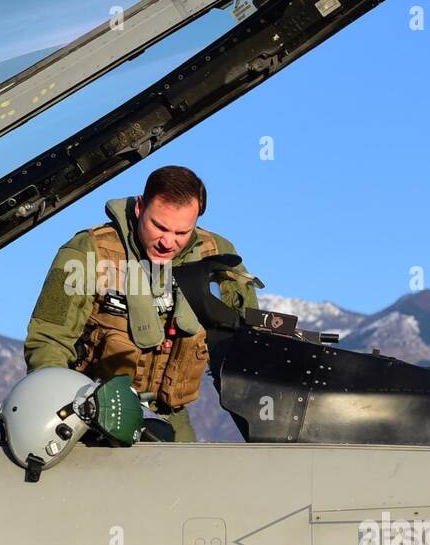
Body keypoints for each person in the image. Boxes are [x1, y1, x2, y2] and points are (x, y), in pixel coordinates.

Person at [23, 165, 259, 441]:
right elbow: (49, 340)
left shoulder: (219, 257)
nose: (167, 242)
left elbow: (248, 346)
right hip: (94, 418)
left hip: (171, 422)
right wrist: (63, 414)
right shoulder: (86, 252)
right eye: (158, 226)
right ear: (139, 208)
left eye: (182, 232)